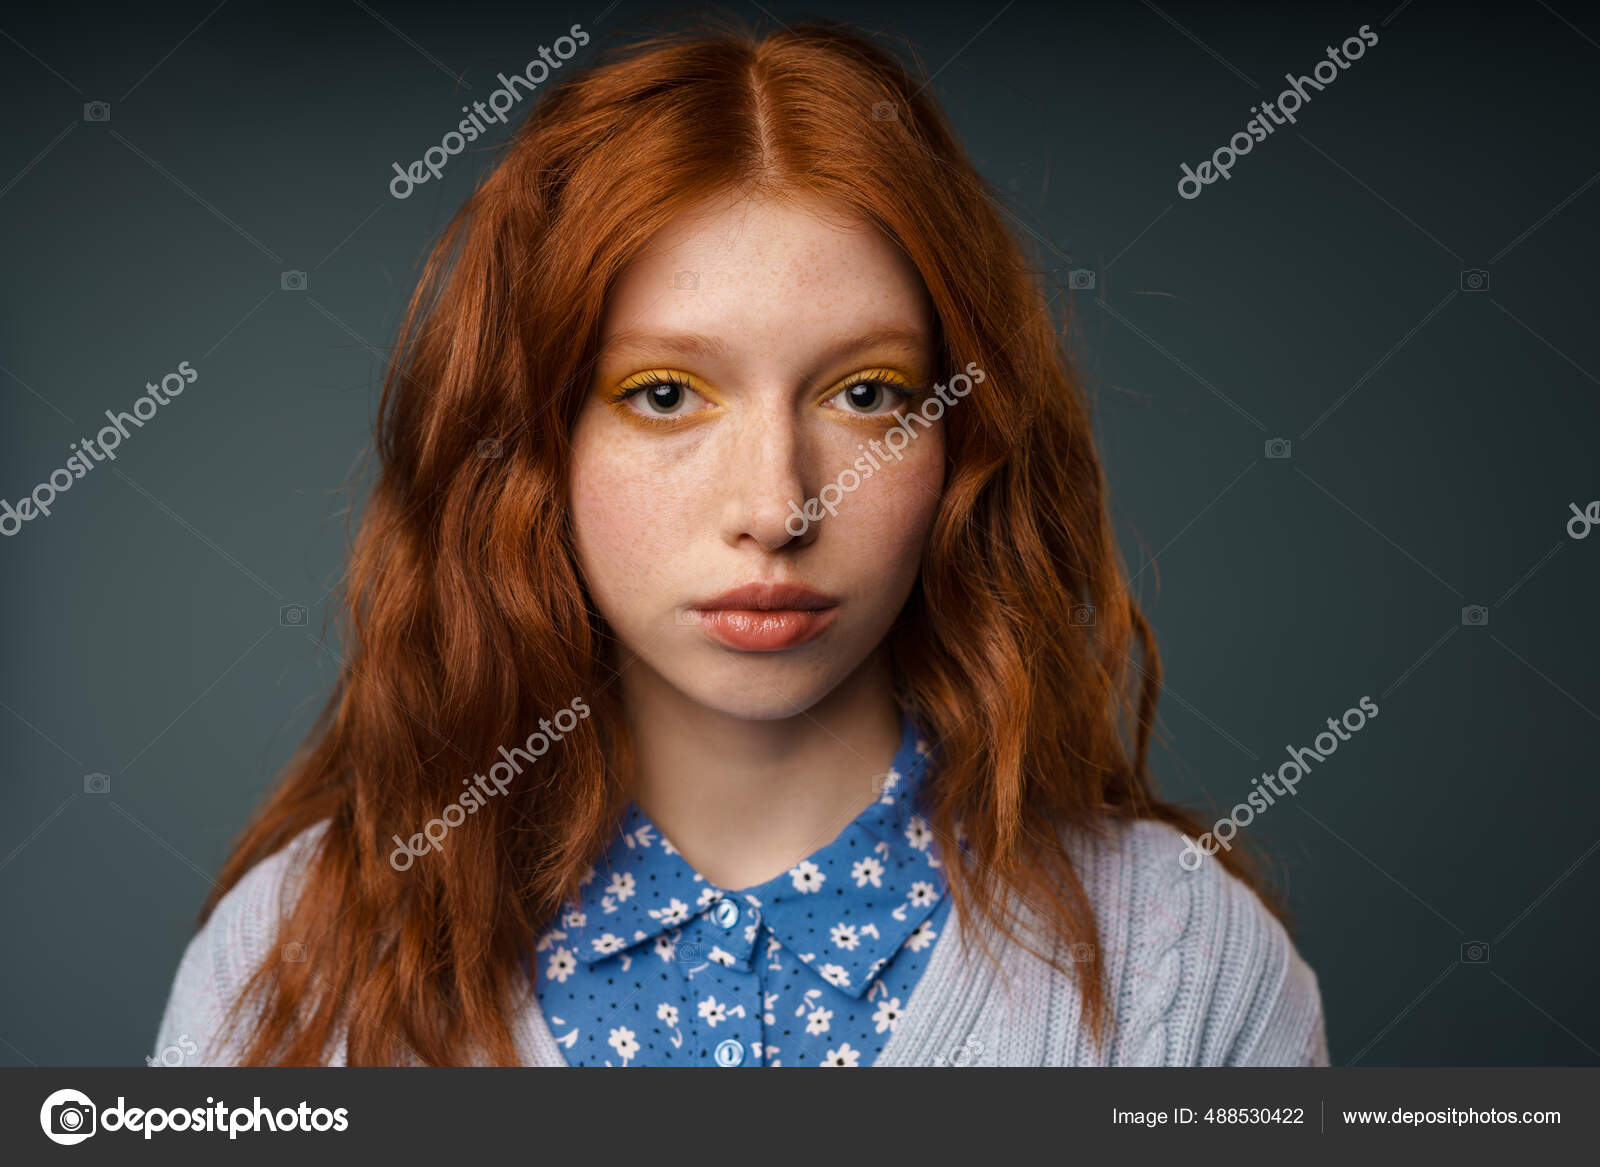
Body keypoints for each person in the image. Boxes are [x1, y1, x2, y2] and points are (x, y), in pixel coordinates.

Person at [154, 20, 1326, 1067]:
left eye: (867, 395)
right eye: (664, 395)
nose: (777, 507)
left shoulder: (1180, 965)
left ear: (960, 438)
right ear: (527, 448)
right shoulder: (290, 966)